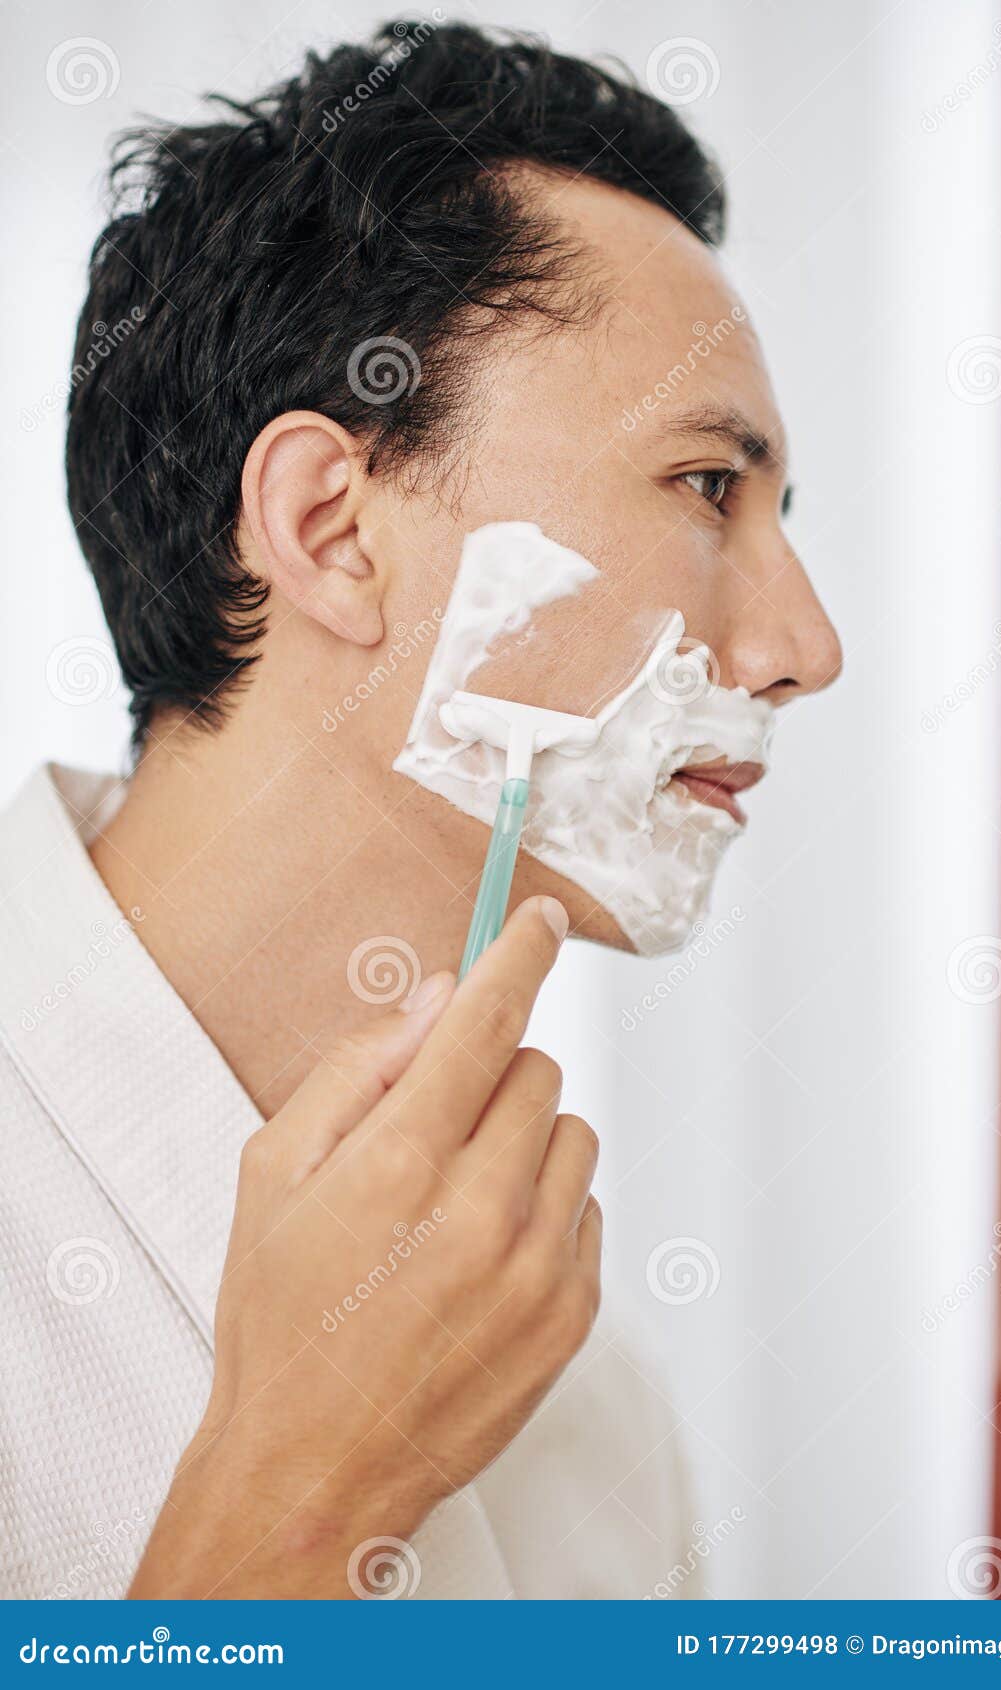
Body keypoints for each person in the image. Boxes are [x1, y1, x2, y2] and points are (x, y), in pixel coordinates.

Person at [0, 20, 840, 1599]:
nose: (807, 650)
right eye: (708, 487)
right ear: (331, 528)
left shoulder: (570, 1375)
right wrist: (301, 1496)